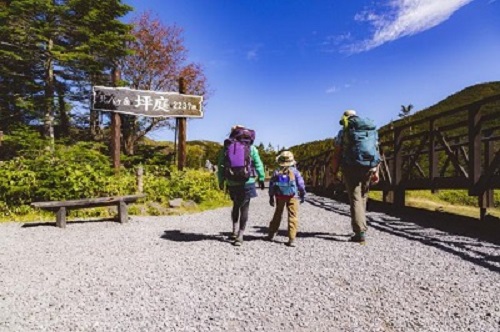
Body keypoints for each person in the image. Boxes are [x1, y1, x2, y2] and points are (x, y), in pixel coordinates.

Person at [332, 110, 380, 244]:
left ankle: (359, 232)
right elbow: (376, 151)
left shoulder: (344, 132)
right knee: (363, 196)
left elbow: (336, 154)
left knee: (355, 197)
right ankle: (362, 226)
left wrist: (334, 172)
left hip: (350, 167)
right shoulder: (370, 130)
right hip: (369, 166)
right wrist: (376, 172)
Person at [217, 125, 266, 246]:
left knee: (235, 205)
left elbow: (221, 165)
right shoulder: (251, 148)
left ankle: (233, 229)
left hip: (232, 181)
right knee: (245, 208)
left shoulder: (227, 147)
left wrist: (221, 180)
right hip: (247, 181)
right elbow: (258, 164)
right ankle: (240, 235)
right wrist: (261, 177)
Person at [266, 151, 306, 247]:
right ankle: (291, 238)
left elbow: (271, 185)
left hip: (279, 196)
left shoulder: (276, 171)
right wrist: (303, 194)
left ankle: (271, 234)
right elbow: (301, 184)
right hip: (293, 196)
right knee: (293, 215)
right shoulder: (295, 171)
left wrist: (271, 196)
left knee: (278, 214)